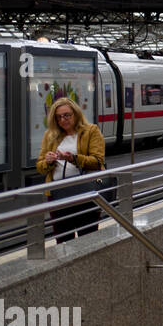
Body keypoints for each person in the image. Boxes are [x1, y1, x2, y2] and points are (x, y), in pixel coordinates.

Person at [36, 97, 106, 243]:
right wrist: (48, 162)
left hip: (86, 192)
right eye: (59, 117)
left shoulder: (91, 131)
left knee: (88, 238)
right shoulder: (50, 135)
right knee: (63, 239)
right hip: (58, 193)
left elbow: (97, 161)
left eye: (67, 115)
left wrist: (72, 158)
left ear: (76, 113)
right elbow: (40, 166)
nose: (63, 120)